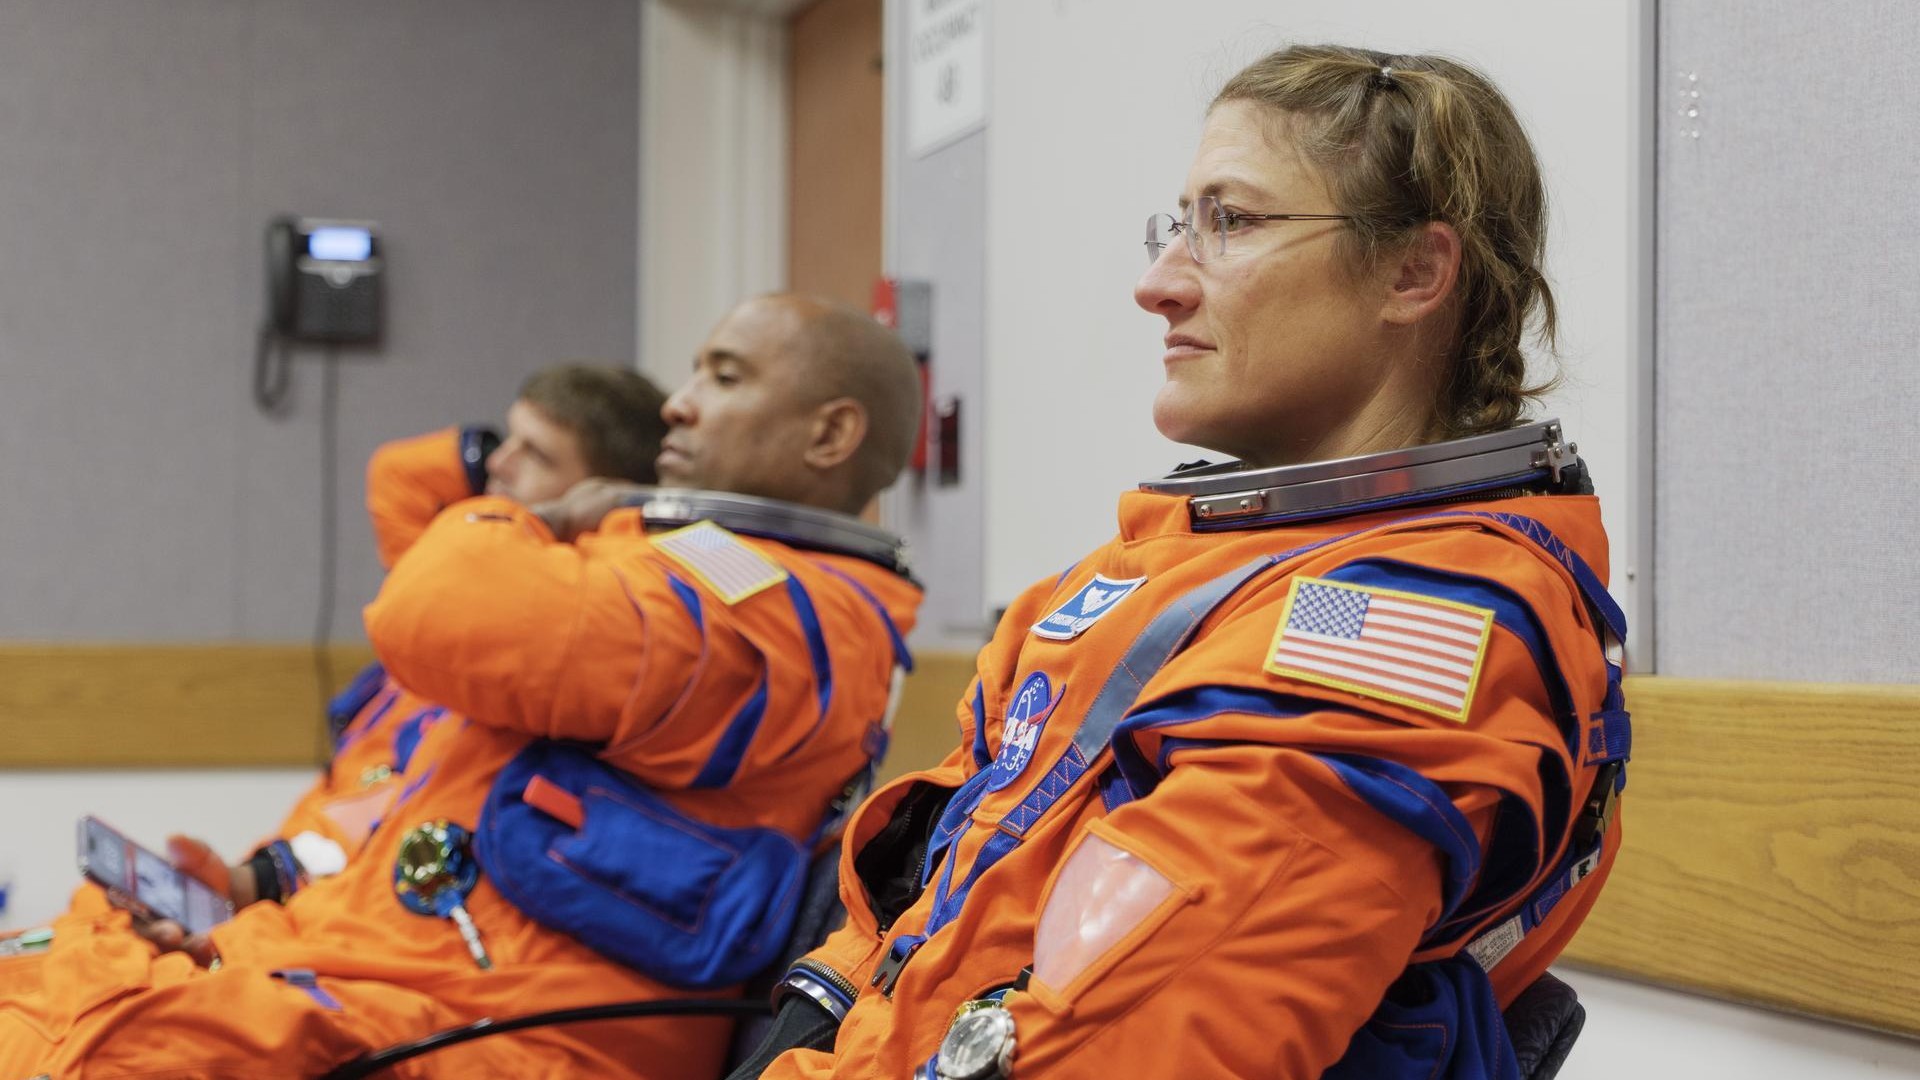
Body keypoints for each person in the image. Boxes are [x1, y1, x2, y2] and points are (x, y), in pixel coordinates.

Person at [732, 45, 1627, 1080]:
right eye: (1178, 222)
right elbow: (922, 893)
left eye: (1233, 222)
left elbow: (1114, 1049)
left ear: (1414, 272)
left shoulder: (1406, 629)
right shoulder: (1136, 576)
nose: (1158, 285)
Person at [0, 295, 926, 1080]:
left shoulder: (773, 603)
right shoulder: (686, 563)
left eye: (723, 378)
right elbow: (419, 529)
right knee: (60, 961)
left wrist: (530, 514)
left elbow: (438, 609)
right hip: (387, 980)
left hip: (494, 1031)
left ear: (832, 433)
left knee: (63, 1041)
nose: (678, 406)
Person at [71, 364, 669, 956]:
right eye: (503, 441)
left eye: (534, 453)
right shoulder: (461, 610)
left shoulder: (537, 656)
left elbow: (392, 819)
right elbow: (398, 477)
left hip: (344, 930)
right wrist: (253, 882)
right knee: (86, 933)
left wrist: (541, 519)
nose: (497, 464)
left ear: (595, 500)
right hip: (304, 886)